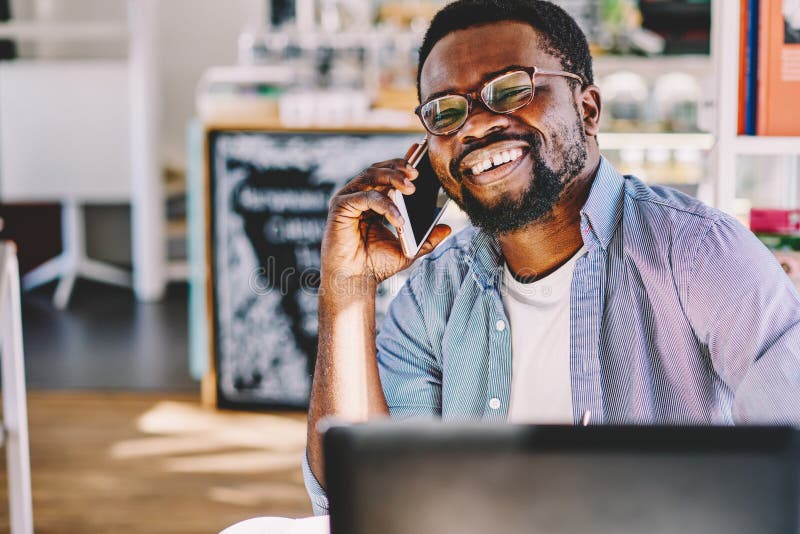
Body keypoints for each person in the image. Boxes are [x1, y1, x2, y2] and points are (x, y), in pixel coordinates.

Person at [303, 0, 800, 515]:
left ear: (587, 110)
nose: (475, 127)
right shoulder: (434, 293)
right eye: (446, 113)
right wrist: (348, 286)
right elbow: (362, 496)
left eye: (511, 90)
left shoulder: (699, 253)